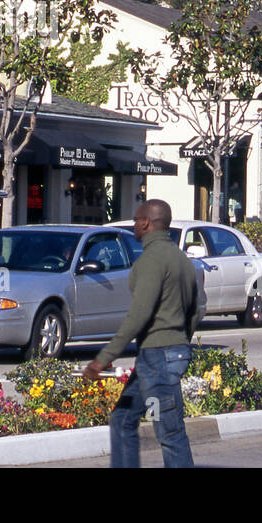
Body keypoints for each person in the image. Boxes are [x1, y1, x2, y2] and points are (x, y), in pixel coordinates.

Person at [83, 199, 203, 468]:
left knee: (170, 432)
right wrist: (180, 342)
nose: (134, 224)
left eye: (137, 219)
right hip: (159, 359)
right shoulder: (182, 260)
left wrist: (103, 357)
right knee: (123, 418)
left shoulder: (151, 260)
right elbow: (195, 311)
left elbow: (140, 314)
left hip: (158, 359)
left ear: (147, 223)